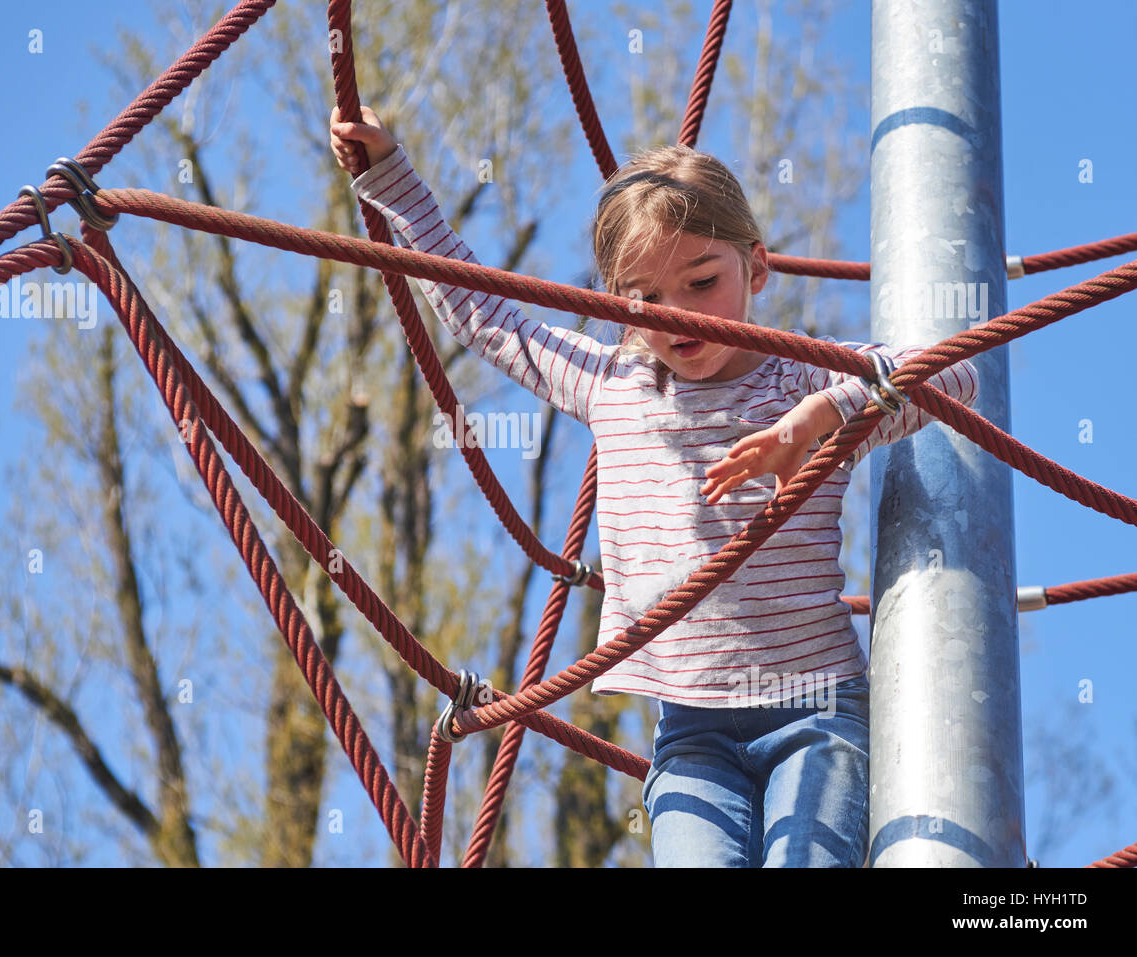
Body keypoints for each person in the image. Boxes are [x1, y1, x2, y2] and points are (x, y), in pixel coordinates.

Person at [329, 105, 979, 867]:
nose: (677, 316)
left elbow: (956, 374)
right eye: (643, 299)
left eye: (702, 281)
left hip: (816, 710)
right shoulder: (615, 384)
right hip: (691, 731)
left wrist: (819, 417)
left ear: (757, 268)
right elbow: (484, 314)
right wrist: (390, 178)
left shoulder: (800, 376)